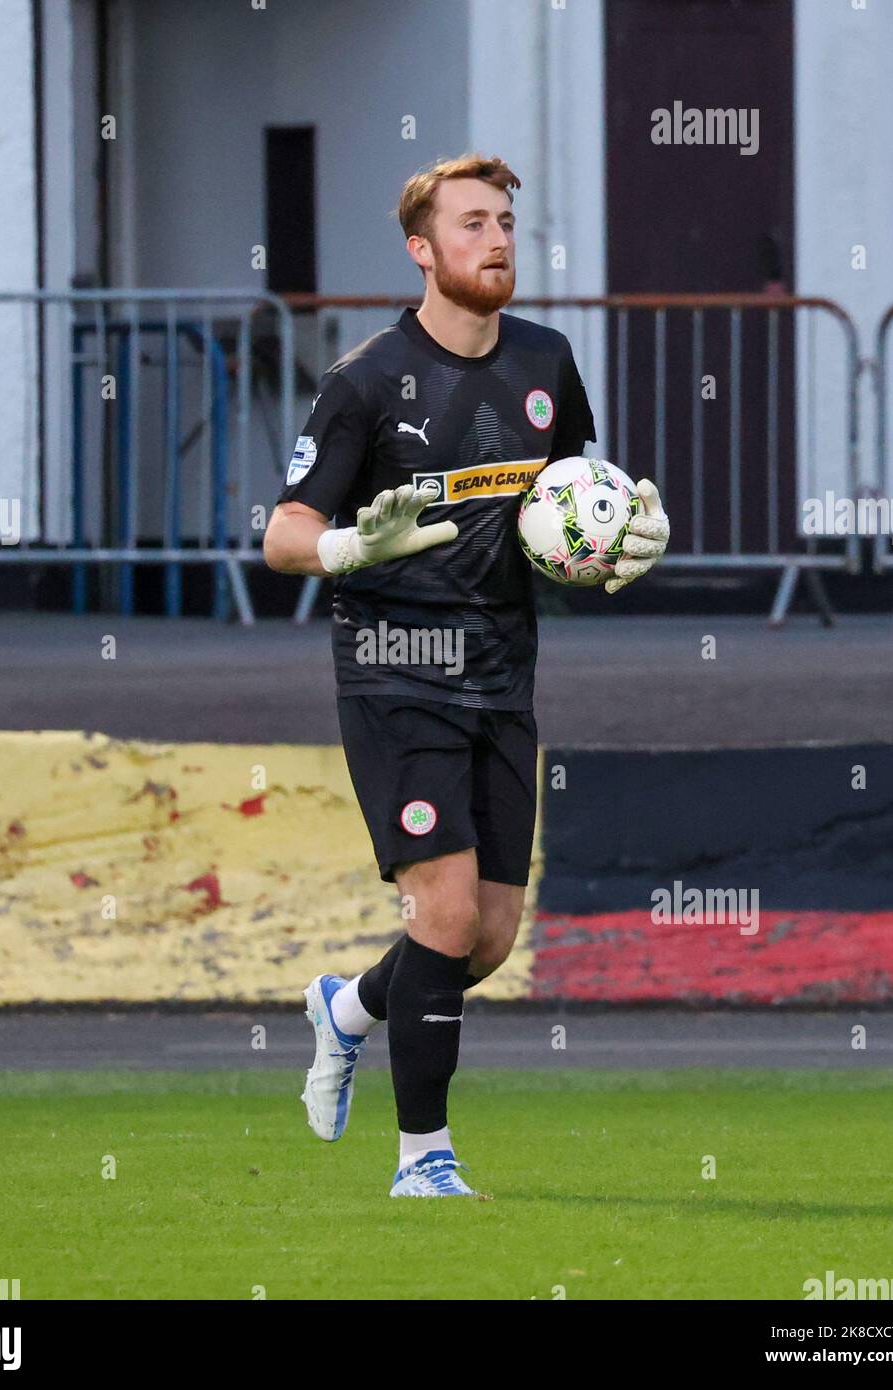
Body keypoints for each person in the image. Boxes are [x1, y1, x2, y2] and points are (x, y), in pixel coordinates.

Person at [263, 153, 670, 1197]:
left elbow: (574, 502)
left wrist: (619, 542)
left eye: (504, 223)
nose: (495, 240)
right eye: (472, 224)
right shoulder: (365, 382)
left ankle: (347, 1008)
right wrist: (350, 550)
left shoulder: (547, 360)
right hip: (395, 671)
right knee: (441, 918)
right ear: (422, 248)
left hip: (503, 673)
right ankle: (422, 1161)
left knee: (482, 940)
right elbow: (283, 533)